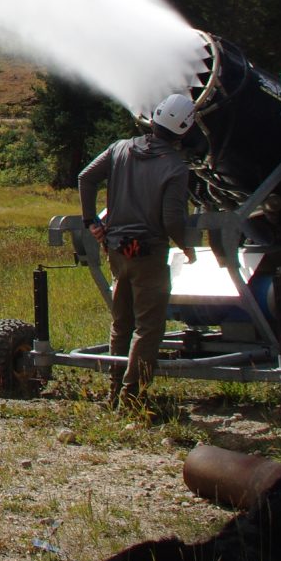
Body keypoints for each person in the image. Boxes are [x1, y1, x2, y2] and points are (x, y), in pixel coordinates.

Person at [79, 92, 197, 408]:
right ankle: (134, 398)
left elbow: (86, 178)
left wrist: (91, 221)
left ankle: (114, 392)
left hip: (116, 250)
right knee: (148, 328)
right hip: (149, 254)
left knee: (121, 322)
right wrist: (188, 247)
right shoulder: (175, 167)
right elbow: (172, 219)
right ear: (185, 129)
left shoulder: (120, 148)